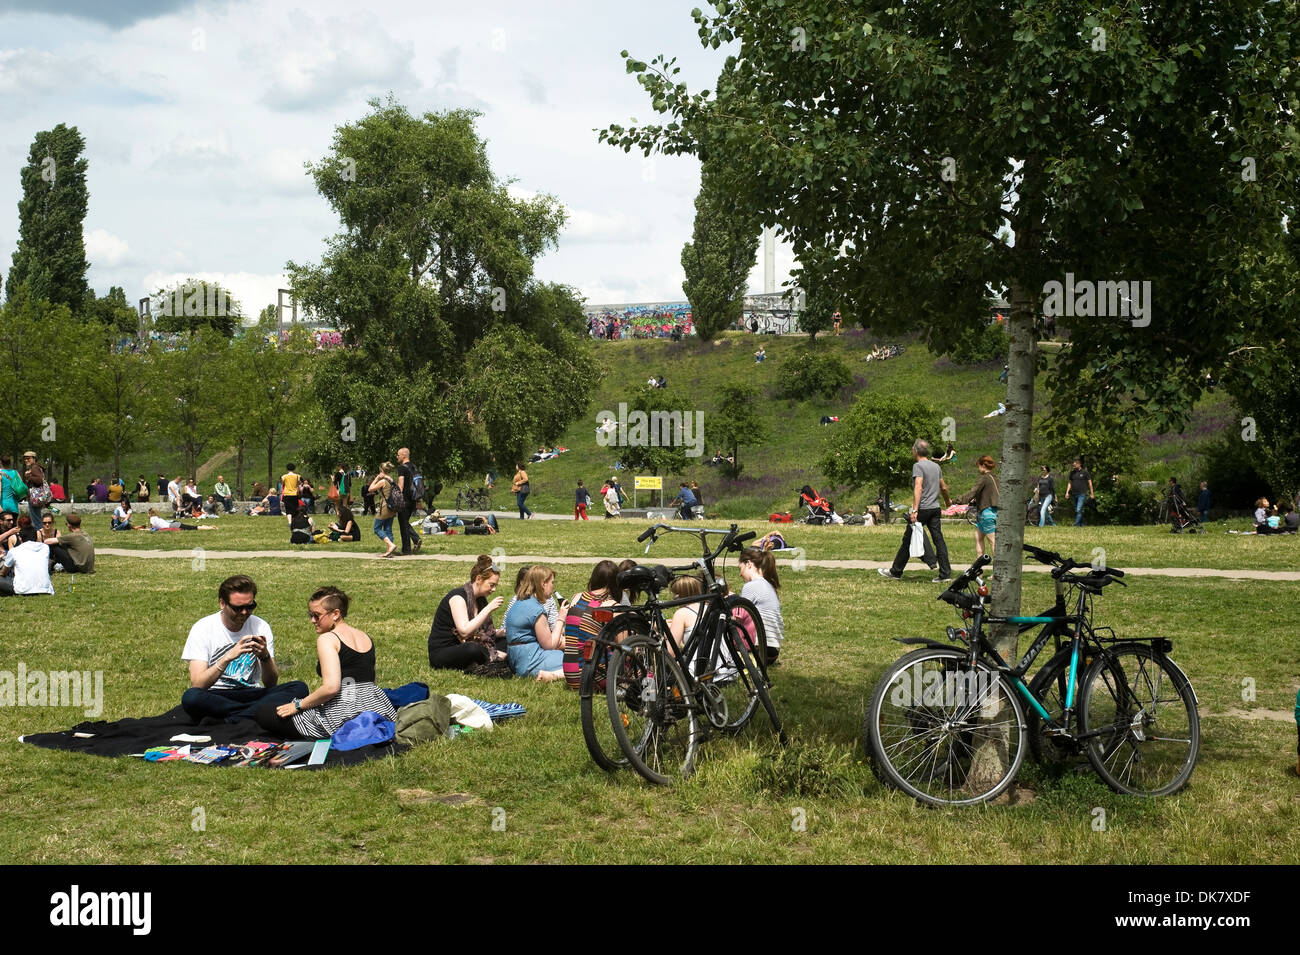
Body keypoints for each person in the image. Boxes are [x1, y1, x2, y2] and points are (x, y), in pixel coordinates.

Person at [254, 586, 397, 739]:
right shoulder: (364, 636)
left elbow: (331, 688)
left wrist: (297, 705)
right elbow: (370, 681)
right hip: (377, 707)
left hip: (344, 713)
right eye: (310, 615)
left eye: (317, 615)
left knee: (264, 712)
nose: (312, 620)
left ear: (336, 614)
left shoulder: (328, 639)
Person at [179, 575, 308, 721]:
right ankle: (253, 714)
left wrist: (264, 656)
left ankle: (236, 716)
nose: (244, 613)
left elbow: (271, 683)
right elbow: (198, 684)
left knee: (299, 688)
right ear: (222, 603)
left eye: (250, 606)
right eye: (238, 608)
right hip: (217, 695)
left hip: (252, 692)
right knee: (191, 697)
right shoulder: (202, 628)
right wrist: (227, 658)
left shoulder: (261, 626)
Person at [880, 439, 952, 582]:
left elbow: (918, 487)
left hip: (923, 509)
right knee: (939, 540)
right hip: (935, 508)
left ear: (916, 451)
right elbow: (943, 487)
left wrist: (914, 510)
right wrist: (947, 501)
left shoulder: (918, 466)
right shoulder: (936, 466)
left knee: (907, 539)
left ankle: (896, 572)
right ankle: (945, 574)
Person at [428, 555, 508, 670]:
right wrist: (488, 609)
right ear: (479, 579)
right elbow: (465, 632)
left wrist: (501, 633)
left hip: (466, 644)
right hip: (444, 651)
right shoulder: (458, 597)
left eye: (495, 586)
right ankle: (495, 658)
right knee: (472, 648)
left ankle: (492, 657)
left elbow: (483, 632)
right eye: (491, 585)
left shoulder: (480, 599)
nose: (494, 589)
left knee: (506, 640)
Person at [504, 565, 569, 681]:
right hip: (530, 661)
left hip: (516, 659)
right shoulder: (536, 610)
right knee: (576, 662)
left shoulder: (520, 602)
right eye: (552, 583)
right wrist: (561, 618)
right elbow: (549, 645)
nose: (553, 587)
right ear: (543, 584)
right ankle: (552, 675)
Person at [561, 560, 619, 689]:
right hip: (591, 676)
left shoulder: (576, 597)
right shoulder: (612, 606)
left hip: (570, 673)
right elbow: (624, 647)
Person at [739, 546, 784, 666]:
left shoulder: (751, 586)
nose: (740, 574)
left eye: (741, 568)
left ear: (748, 564)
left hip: (760, 651)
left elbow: (739, 616)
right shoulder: (768, 585)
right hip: (772, 651)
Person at [952, 455, 1000, 559]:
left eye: (978, 466)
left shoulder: (984, 478)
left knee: (993, 541)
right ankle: (978, 570)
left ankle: (998, 573)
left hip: (987, 512)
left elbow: (972, 493)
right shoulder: (995, 478)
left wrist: (955, 501)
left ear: (983, 465)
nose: (978, 469)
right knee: (978, 538)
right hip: (992, 512)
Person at [0, 525, 54, 596]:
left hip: (22, 590)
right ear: (36, 537)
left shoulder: (14, 551)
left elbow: (3, 573)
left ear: (20, 538)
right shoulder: (45, 548)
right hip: (45, 590)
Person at [368, 463, 398, 557]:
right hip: (392, 506)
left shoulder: (383, 481)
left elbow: (370, 489)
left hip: (384, 506)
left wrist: (377, 478)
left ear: (381, 471)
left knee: (377, 528)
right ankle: (390, 551)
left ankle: (390, 545)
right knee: (388, 528)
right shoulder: (392, 480)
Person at [395, 447, 420, 555]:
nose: (397, 457)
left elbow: (401, 485)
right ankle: (415, 539)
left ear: (404, 455)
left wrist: (396, 497)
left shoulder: (402, 468)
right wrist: (419, 500)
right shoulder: (414, 467)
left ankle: (406, 550)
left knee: (403, 524)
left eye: (398, 455)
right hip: (413, 499)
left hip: (404, 499)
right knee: (405, 522)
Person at [22, 451, 47, 525]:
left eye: (28, 458)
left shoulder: (34, 467)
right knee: (36, 518)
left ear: (34, 459)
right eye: (25, 459)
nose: (26, 460)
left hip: (35, 497)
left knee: (36, 520)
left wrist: (28, 476)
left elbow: (39, 480)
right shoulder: (37, 467)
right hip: (38, 496)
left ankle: (39, 535)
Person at [1068, 458, 1095, 527]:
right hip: (1074, 494)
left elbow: (1090, 483)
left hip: (1082, 494)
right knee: (1078, 510)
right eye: (1073, 465)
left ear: (1079, 464)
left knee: (1078, 509)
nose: (1073, 466)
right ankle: (1082, 524)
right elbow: (1070, 483)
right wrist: (1067, 492)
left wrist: (1092, 493)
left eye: (1074, 465)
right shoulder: (1072, 473)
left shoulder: (1085, 472)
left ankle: (1076, 525)